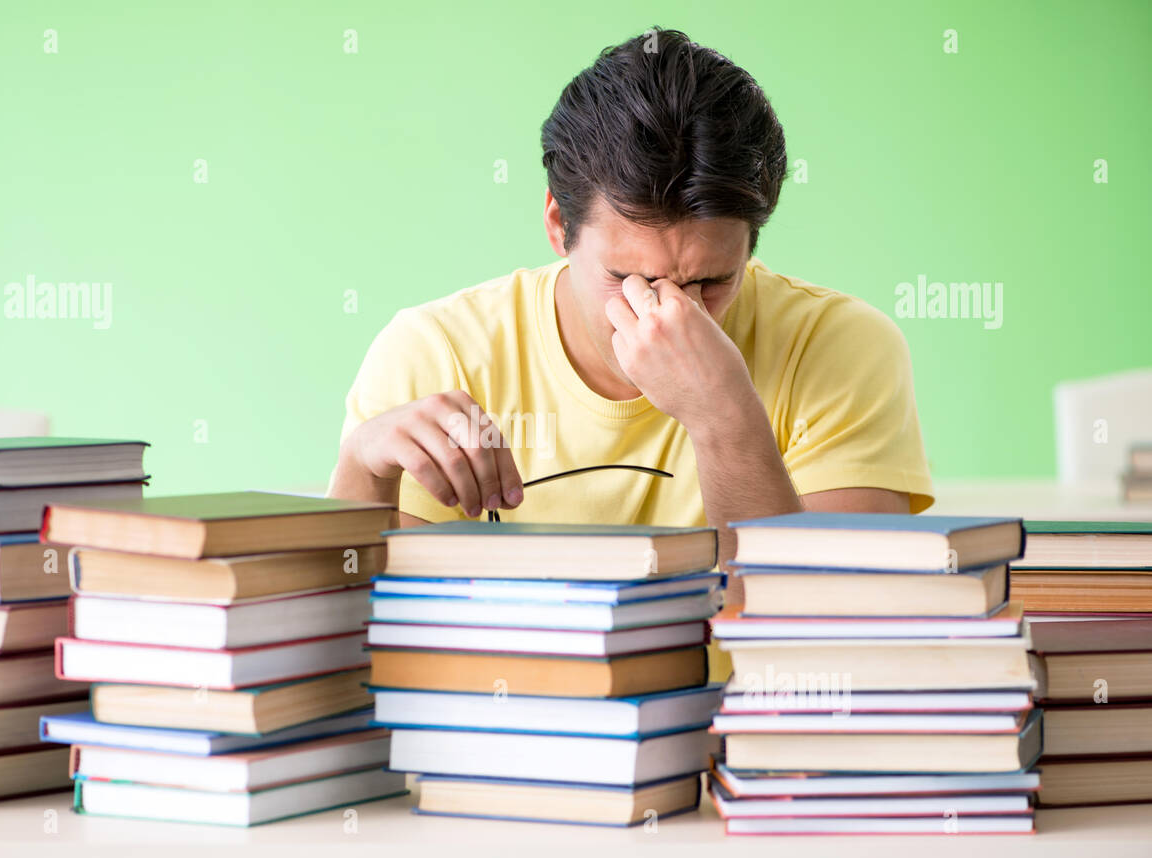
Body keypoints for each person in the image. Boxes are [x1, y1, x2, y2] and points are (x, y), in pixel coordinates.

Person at [330, 28, 933, 567]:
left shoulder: (838, 346)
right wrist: (361, 469)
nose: (672, 315)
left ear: (751, 244)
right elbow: (366, 645)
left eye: (711, 282)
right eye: (627, 279)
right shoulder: (435, 353)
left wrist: (723, 415)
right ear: (557, 224)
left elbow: (832, 629)